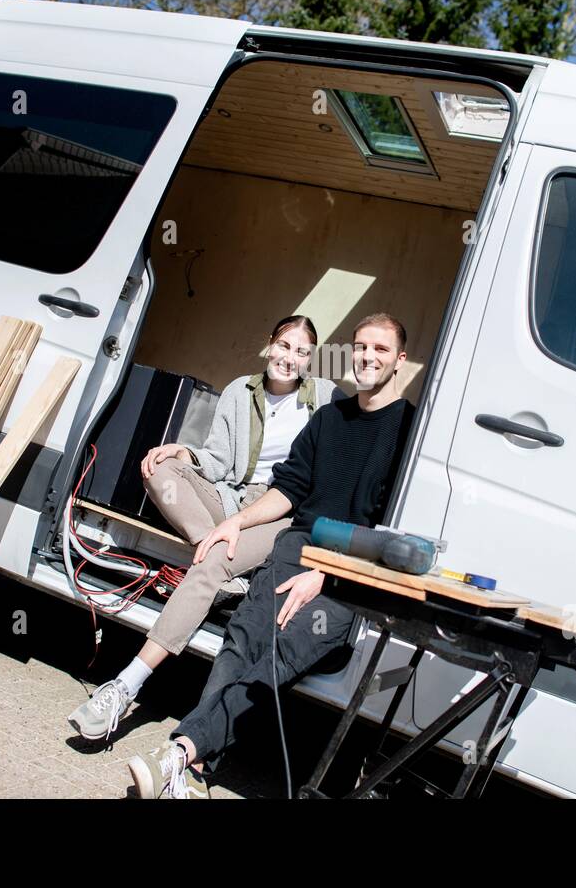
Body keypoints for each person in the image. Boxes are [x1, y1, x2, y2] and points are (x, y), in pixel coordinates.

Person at [126, 313, 417, 799]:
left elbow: (388, 523)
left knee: (276, 660)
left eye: (381, 350)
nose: (368, 357)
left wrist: (328, 573)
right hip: (294, 550)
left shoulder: (407, 427)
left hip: (346, 577)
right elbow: (290, 487)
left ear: (400, 361)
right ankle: (193, 766)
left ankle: (180, 752)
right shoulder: (329, 418)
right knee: (239, 643)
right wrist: (236, 522)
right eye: (361, 347)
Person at [68, 315, 340, 742]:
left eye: (302, 352)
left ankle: (126, 684)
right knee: (160, 469)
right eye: (285, 346)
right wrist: (184, 453)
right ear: (270, 344)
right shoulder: (238, 391)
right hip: (231, 500)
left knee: (214, 562)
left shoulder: (324, 399)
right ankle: (210, 549)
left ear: (311, 360)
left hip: (280, 514)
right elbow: (216, 462)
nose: (291, 358)